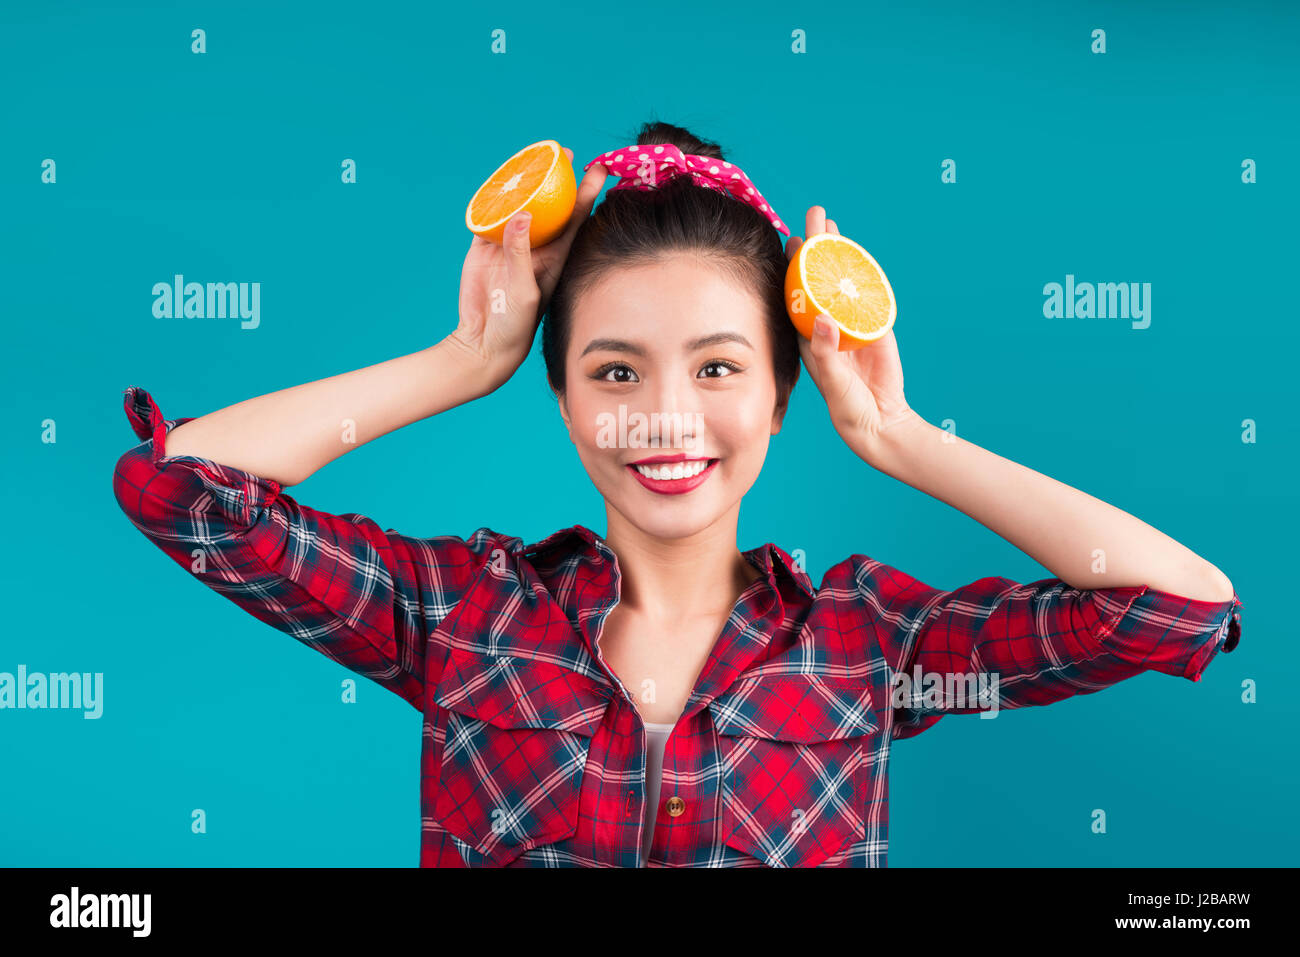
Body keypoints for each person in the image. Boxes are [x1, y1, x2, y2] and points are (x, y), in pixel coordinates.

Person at [112, 120, 1243, 868]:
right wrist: (463, 358)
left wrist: (897, 436)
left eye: (716, 368)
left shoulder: (870, 647)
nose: (665, 415)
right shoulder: (460, 618)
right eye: (614, 370)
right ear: (556, 396)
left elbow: (1176, 608)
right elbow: (182, 493)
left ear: (783, 394)